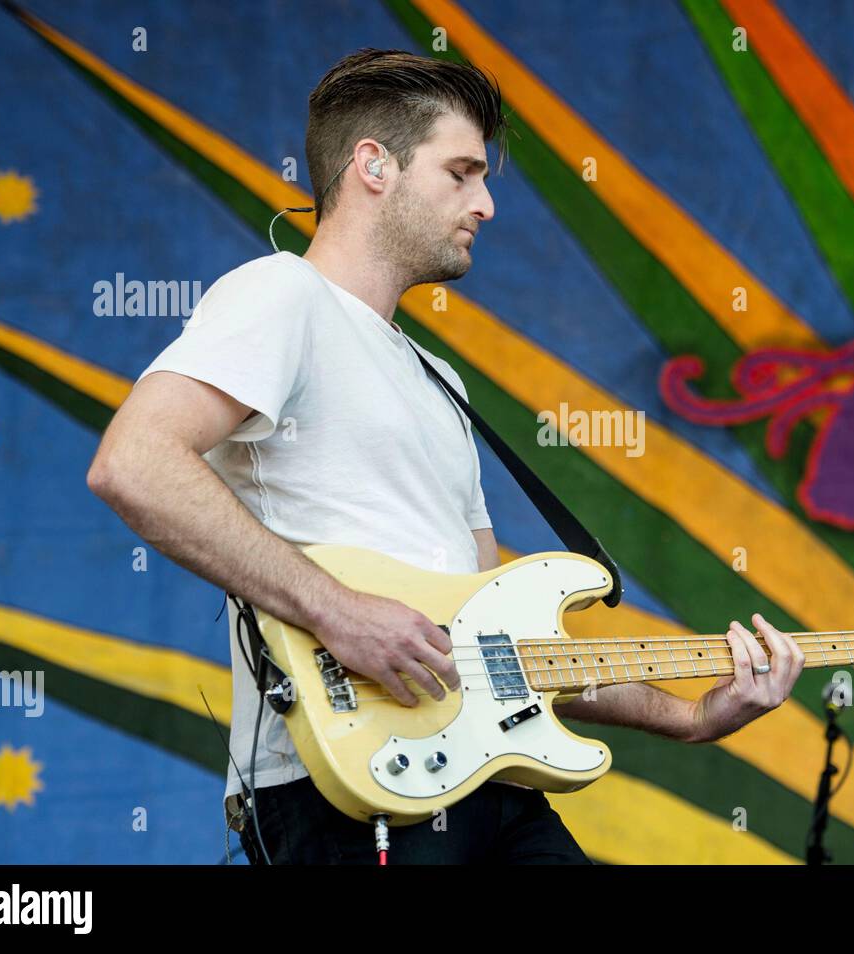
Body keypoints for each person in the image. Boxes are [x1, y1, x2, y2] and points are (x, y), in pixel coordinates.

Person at [87, 49, 805, 865]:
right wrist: (337, 610)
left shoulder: (440, 379)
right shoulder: (281, 295)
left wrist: (690, 715)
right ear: (373, 166)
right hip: (347, 789)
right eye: (461, 172)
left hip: (490, 780)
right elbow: (134, 462)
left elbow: (502, 646)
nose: (487, 204)